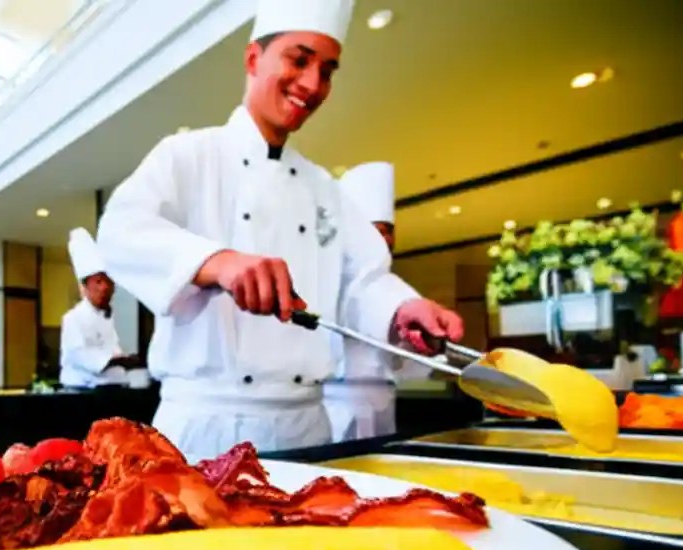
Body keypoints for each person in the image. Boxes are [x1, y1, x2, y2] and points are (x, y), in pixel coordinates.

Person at [96, 0, 463, 459]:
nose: (312, 84)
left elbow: (362, 281)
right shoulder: (189, 154)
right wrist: (217, 263)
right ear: (253, 59)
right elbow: (120, 229)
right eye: (299, 59)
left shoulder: (325, 189)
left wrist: (403, 308)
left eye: (328, 70)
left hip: (305, 428)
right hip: (205, 428)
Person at [323, 161, 432, 440]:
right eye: (373, 230)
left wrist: (419, 344)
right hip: (332, 404)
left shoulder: (395, 289)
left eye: (387, 230)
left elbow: (412, 366)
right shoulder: (323, 277)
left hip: (382, 401)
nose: (382, 238)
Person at [59, 228, 141, 389]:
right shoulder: (73, 318)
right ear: (85, 285)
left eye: (109, 282)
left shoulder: (108, 317)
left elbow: (111, 349)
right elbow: (80, 355)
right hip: (81, 392)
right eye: (98, 281)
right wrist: (114, 360)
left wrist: (127, 361)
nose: (105, 287)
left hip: (110, 389)